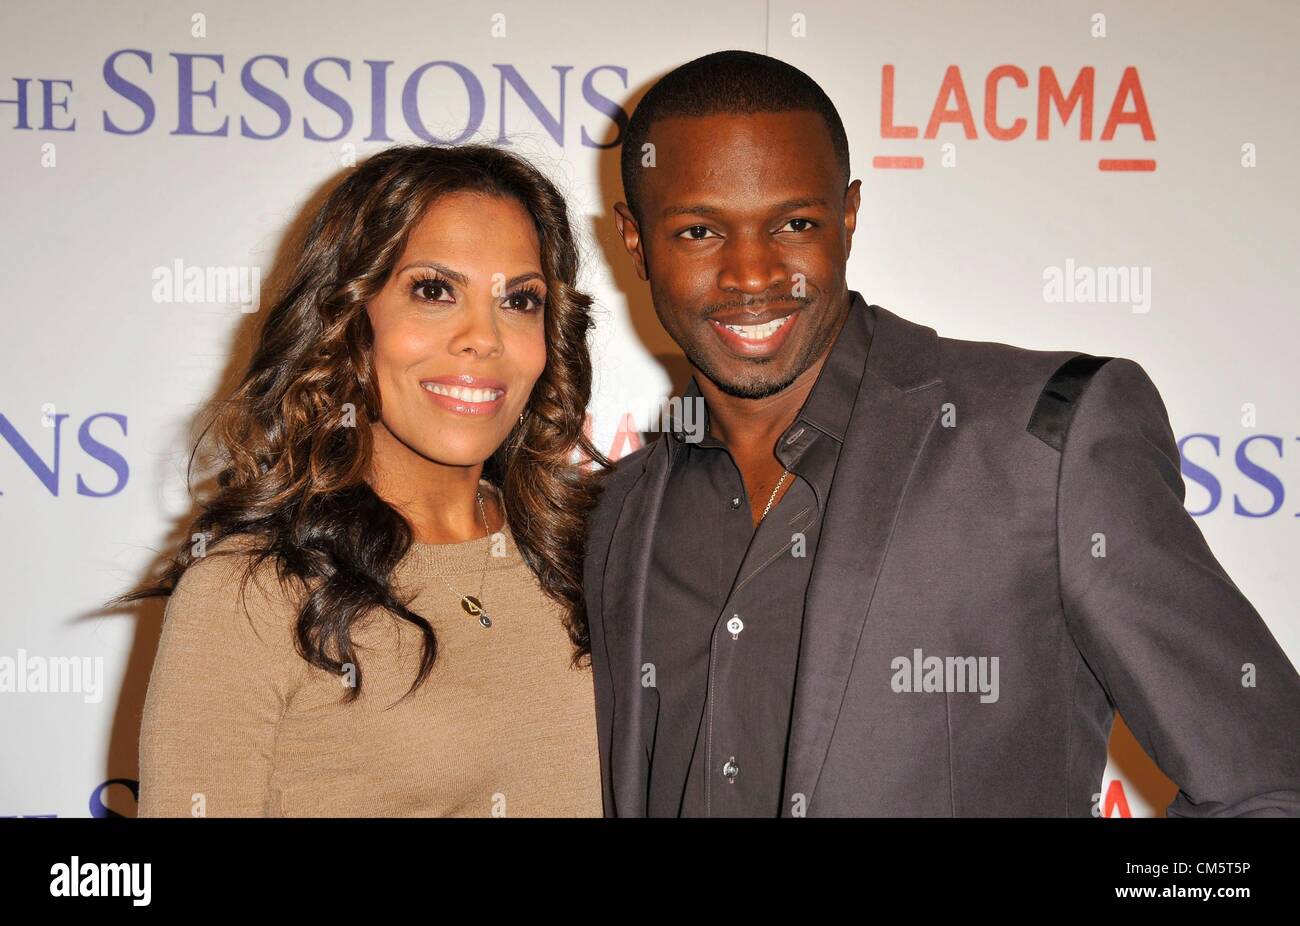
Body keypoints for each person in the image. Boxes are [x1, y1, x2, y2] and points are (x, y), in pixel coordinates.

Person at [585, 49, 1300, 817]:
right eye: (699, 232)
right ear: (635, 241)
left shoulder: (1043, 442)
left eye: (795, 223)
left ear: (849, 217)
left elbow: (1270, 789)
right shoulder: (617, 517)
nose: (755, 275)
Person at [121, 143, 610, 816]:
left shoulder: (591, 554)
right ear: (350, 321)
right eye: (434, 291)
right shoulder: (254, 591)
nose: (483, 338)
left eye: (520, 300)